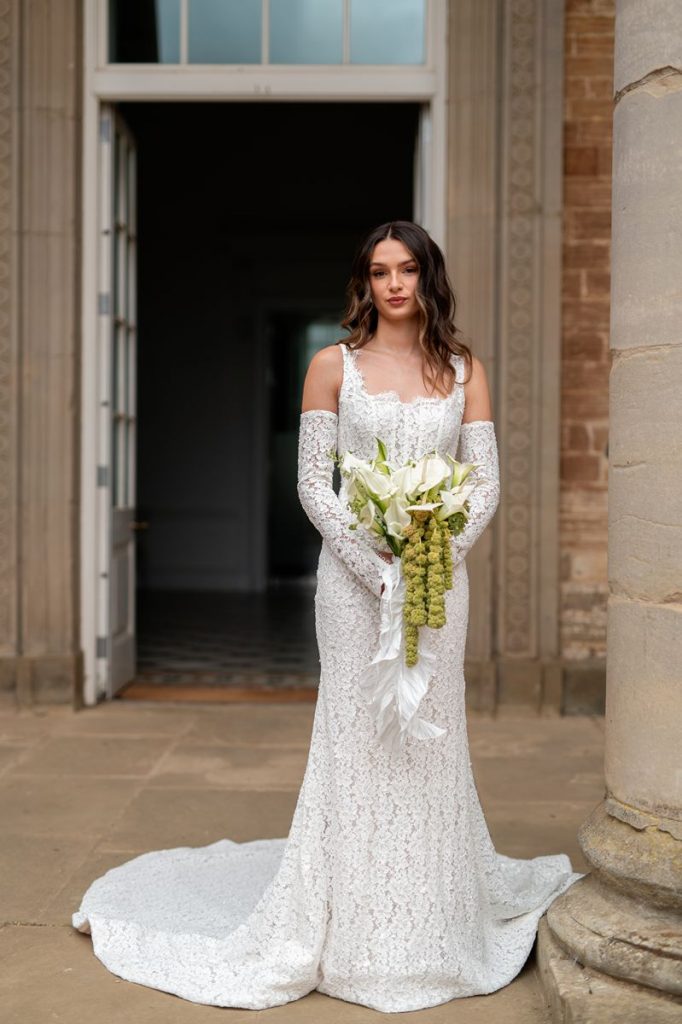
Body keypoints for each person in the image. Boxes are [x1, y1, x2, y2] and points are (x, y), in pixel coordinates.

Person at [71, 220, 584, 1013]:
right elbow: (316, 485)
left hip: (436, 579)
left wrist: (429, 555)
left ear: (427, 277)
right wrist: (376, 566)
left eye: (407, 269)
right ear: (363, 282)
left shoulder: (464, 368)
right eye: (379, 271)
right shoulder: (330, 367)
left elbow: (482, 484)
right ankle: (354, 925)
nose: (393, 284)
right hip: (350, 588)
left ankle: (431, 917)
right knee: (358, 735)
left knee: (429, 734)